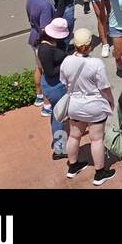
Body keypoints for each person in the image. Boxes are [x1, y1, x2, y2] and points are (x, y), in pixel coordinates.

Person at [59, 27, 117, 185]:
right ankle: (99, 173)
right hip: (94, 106)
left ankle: (73, 167)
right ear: (90, 45)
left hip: (75, 106)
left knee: (74, 135)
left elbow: (64, 83)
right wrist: (110, 101)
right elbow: (104, 87)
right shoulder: (96, 64)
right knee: (97, 139)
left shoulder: (67, 61)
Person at [36, 17, 70, 160]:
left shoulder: (48, 44)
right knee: (59, 118)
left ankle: (57, 142)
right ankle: (59, 149)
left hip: (53, 86)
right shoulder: (45, 50)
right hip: (55, 87)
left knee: (57, 116)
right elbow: (50, 72)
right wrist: (67, 60)